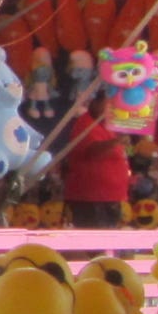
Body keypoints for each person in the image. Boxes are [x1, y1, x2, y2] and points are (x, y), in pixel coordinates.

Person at [58, 91, 129, 229]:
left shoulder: (108, 125)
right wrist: (115, 142)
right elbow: (93, 151)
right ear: (95, 103)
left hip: (109, 196)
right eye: (108, 103)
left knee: (108, 239)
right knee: (94, 239)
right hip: (91, 197)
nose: (112, 107)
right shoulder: (86, 123)